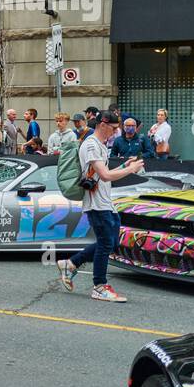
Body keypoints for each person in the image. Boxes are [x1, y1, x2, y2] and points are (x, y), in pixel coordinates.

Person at [57, 110, 143, 303]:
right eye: (113, 128)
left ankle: (71, 263)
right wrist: (130, 169)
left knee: (111, 243)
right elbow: (104, 175)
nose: (115, 132)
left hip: (105, 202)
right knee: (106, 244)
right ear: (102, 124)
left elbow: (101, 174)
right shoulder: (91, 145)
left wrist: (123, 167)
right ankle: (99, 286)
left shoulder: (101, 145)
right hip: (96, 203)